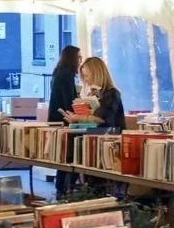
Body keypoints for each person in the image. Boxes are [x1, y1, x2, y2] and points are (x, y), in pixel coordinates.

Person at [48, 45, 82, 195]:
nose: (80, 61)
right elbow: (69, 100)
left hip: (56, 118)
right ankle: (65, 189)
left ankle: (61, 188)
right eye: (79, 57)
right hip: (66, 120)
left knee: (62, 157)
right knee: (70, 156)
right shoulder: (67, 75)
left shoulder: (58, 73)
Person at [65, 57, 125, 132]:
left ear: (96, 74)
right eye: (83, 77)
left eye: (86, 76)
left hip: (111, 138)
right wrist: (76, 119)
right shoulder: (94, 94)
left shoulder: (112, 93)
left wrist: (77, 117)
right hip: (96, 135)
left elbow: (101, 118)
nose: (85, 80)